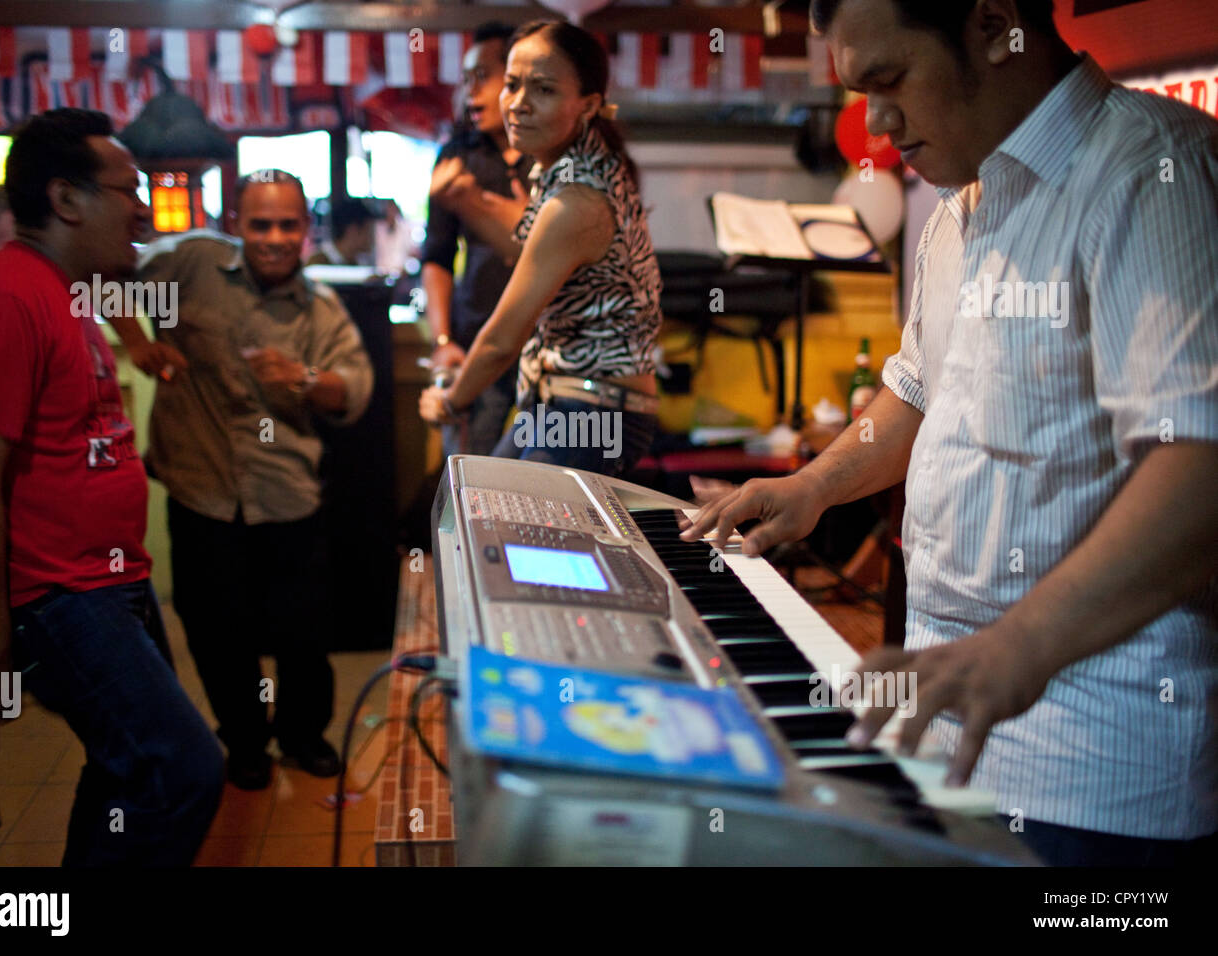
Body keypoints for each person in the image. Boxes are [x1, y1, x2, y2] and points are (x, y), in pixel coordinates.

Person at [686, 0, 1218, 866]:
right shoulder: (956, 204)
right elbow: (917, 392)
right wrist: (813, 487)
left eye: (890, 80)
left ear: (993, 25)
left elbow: (1199, 464)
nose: (875, 123)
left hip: (1093, 770)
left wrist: (1020, 645)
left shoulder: (1148, 171)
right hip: (950, 726)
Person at [0, 108, 223, 866]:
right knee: (180, 769)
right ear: (65, 199)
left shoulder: (68, 289)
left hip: (110, 581)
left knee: (128, 769)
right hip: (60, 595)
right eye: (128, 190)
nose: (143, 210)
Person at [111, 169, 374, 791]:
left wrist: (305, 379)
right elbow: (105, 279)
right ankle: (245, 740)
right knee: (215, 629)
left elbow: (355, 390)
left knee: (302, 631)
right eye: (261, 224)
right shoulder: (191, 263)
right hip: (201, 488)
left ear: (305, 229)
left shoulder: (320, 307)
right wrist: (138, 343)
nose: (275, 238)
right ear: (236, 224)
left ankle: (303, 735)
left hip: (286, 494)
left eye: (287, 225)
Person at [419, 20, 663, 476]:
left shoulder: (575, 201)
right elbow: (528, 247)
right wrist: (467, 202)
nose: (518, 103)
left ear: (588, 105)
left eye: (544, 89)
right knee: (484, 493)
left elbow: (501, 341)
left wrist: (450, 401)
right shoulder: (582, 168)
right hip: (576, 402)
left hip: (596, 413)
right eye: (512, 84)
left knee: (495, 506)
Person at [422, 20, 535, 458]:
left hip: (541, 348)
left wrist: (473, 202)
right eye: (466, 78)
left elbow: (537, 244)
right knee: (470, 470)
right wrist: (442, 341)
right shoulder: (456, 155)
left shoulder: (548, 157)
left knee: (539, 478)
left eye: (483, 76)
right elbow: (436, 256)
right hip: (476, 344)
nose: (471, 91)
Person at [306, 196, 381, 267]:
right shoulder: (317, 263)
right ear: (353, 231)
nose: (372, 238)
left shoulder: (357, 263)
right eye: (369, 231)